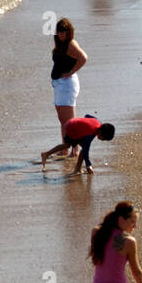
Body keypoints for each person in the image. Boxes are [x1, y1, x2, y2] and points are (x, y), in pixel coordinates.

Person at [40, 18, 88, 170]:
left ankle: (75, 150)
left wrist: (71, 72)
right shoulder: (60, 44)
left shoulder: (71, 44)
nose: (61, 34)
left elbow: (83, 58)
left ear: (69, 32)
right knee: (63, 120)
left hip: (67, 85)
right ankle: (65, 149)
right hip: (59, 85)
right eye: (59, 31)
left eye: (63, 31)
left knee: (70, 122)